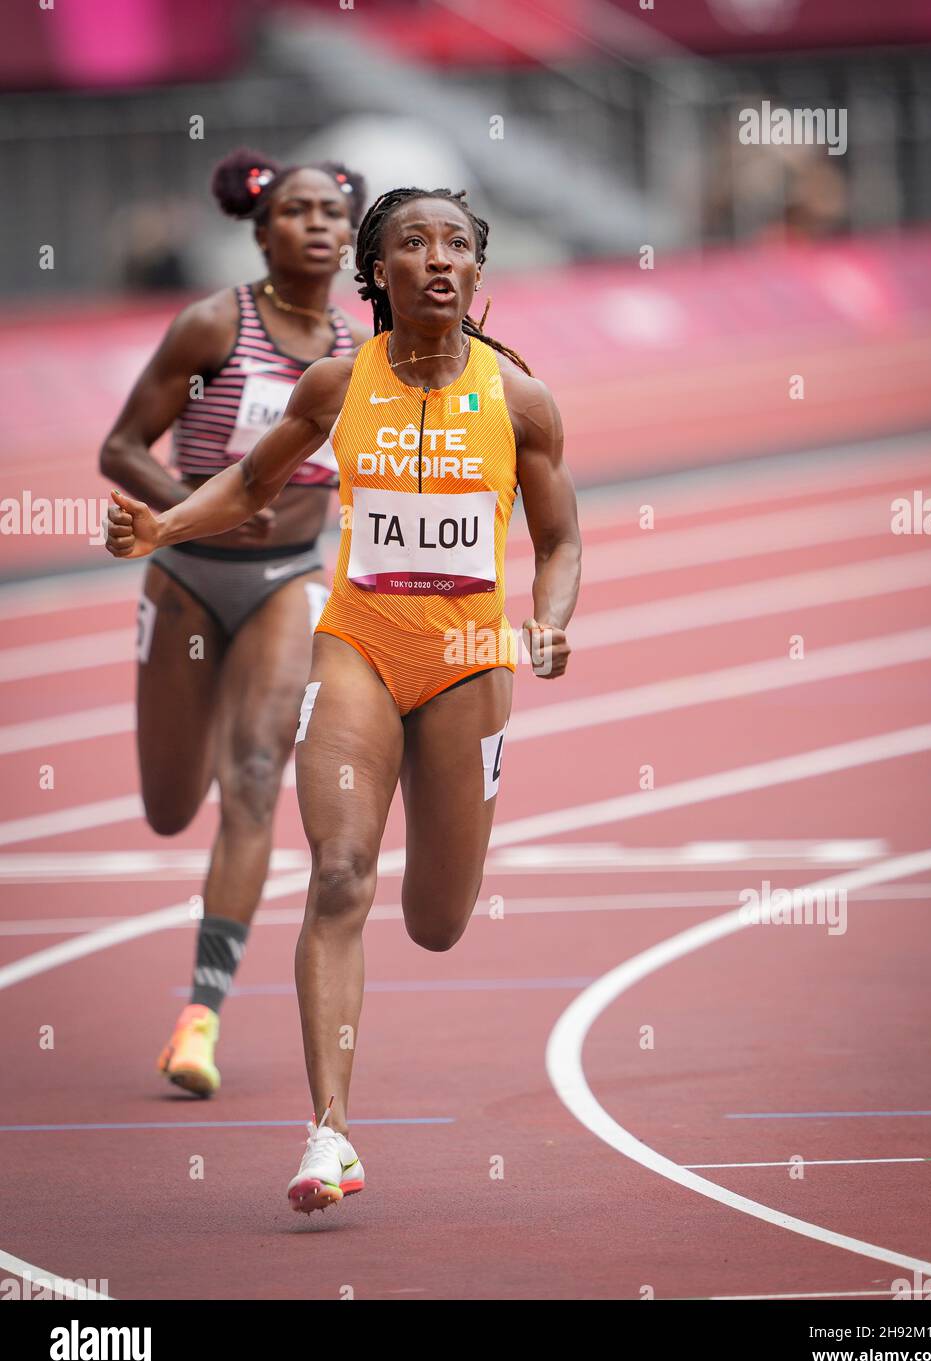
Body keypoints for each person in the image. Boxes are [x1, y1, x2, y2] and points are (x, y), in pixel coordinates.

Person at [105, 186, 582, 1212]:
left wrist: (547, 615)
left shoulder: (521, 399)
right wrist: (164, 526)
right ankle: (330, 1135)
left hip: (466, 661)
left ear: (479, 273)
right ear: (378, 275)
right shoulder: (334, 382)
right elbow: (247, 486)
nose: (439, 260)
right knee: (338, 876)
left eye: (458, 245)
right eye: (414, 243)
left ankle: (361, 1052)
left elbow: (561, 538)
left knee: (438, 920)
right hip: (358, 643)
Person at [99, 147, 367, 1099]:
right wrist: (188, 503)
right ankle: (198, 714)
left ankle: (200, 1014)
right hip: (188, 579)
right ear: (261, 231)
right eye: (297, 211)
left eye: (333, 213)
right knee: (172, 806)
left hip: (288, 579)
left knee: (255, 774)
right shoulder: (216, 323)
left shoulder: (357, 354)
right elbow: (120, 447)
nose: (319, 226)